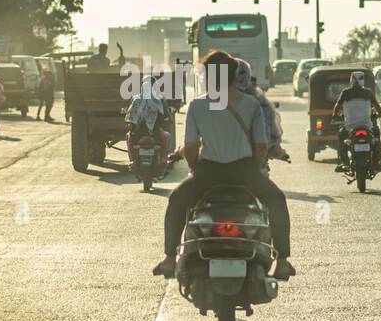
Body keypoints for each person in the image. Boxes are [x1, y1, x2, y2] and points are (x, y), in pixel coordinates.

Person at [153, 50, 295, 281]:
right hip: (245, 171)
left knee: (177, 200)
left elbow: (191, 147)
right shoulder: (251, 104)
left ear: (209, 76)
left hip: (209, 172)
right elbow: (261, 146)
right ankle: (282, 262)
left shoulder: (198, 105)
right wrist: (254, 170)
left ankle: (170, 259)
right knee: (277, 200)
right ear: (232, 75)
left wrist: (195, 168)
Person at [332, 71, 381, 171]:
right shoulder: (368, 92)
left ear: (351, 80)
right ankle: (377, 162)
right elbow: (377, 106)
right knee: (376, 135)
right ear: (363, 80)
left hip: (350, 127)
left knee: (341, 136)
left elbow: (337, 107)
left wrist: (334, 115)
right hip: (367, 126)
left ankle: (344, 162)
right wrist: (380, 113)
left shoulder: (345, 93)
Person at [125, 75, 169, 167]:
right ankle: (163, 160)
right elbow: (164, 115)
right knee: (166, 137)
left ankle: (133, 161)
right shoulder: (159, 99)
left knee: (129, 136)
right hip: (155, 131)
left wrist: (131, 125)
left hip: (138, 131)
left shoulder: (136, 99)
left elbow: (131, 115)